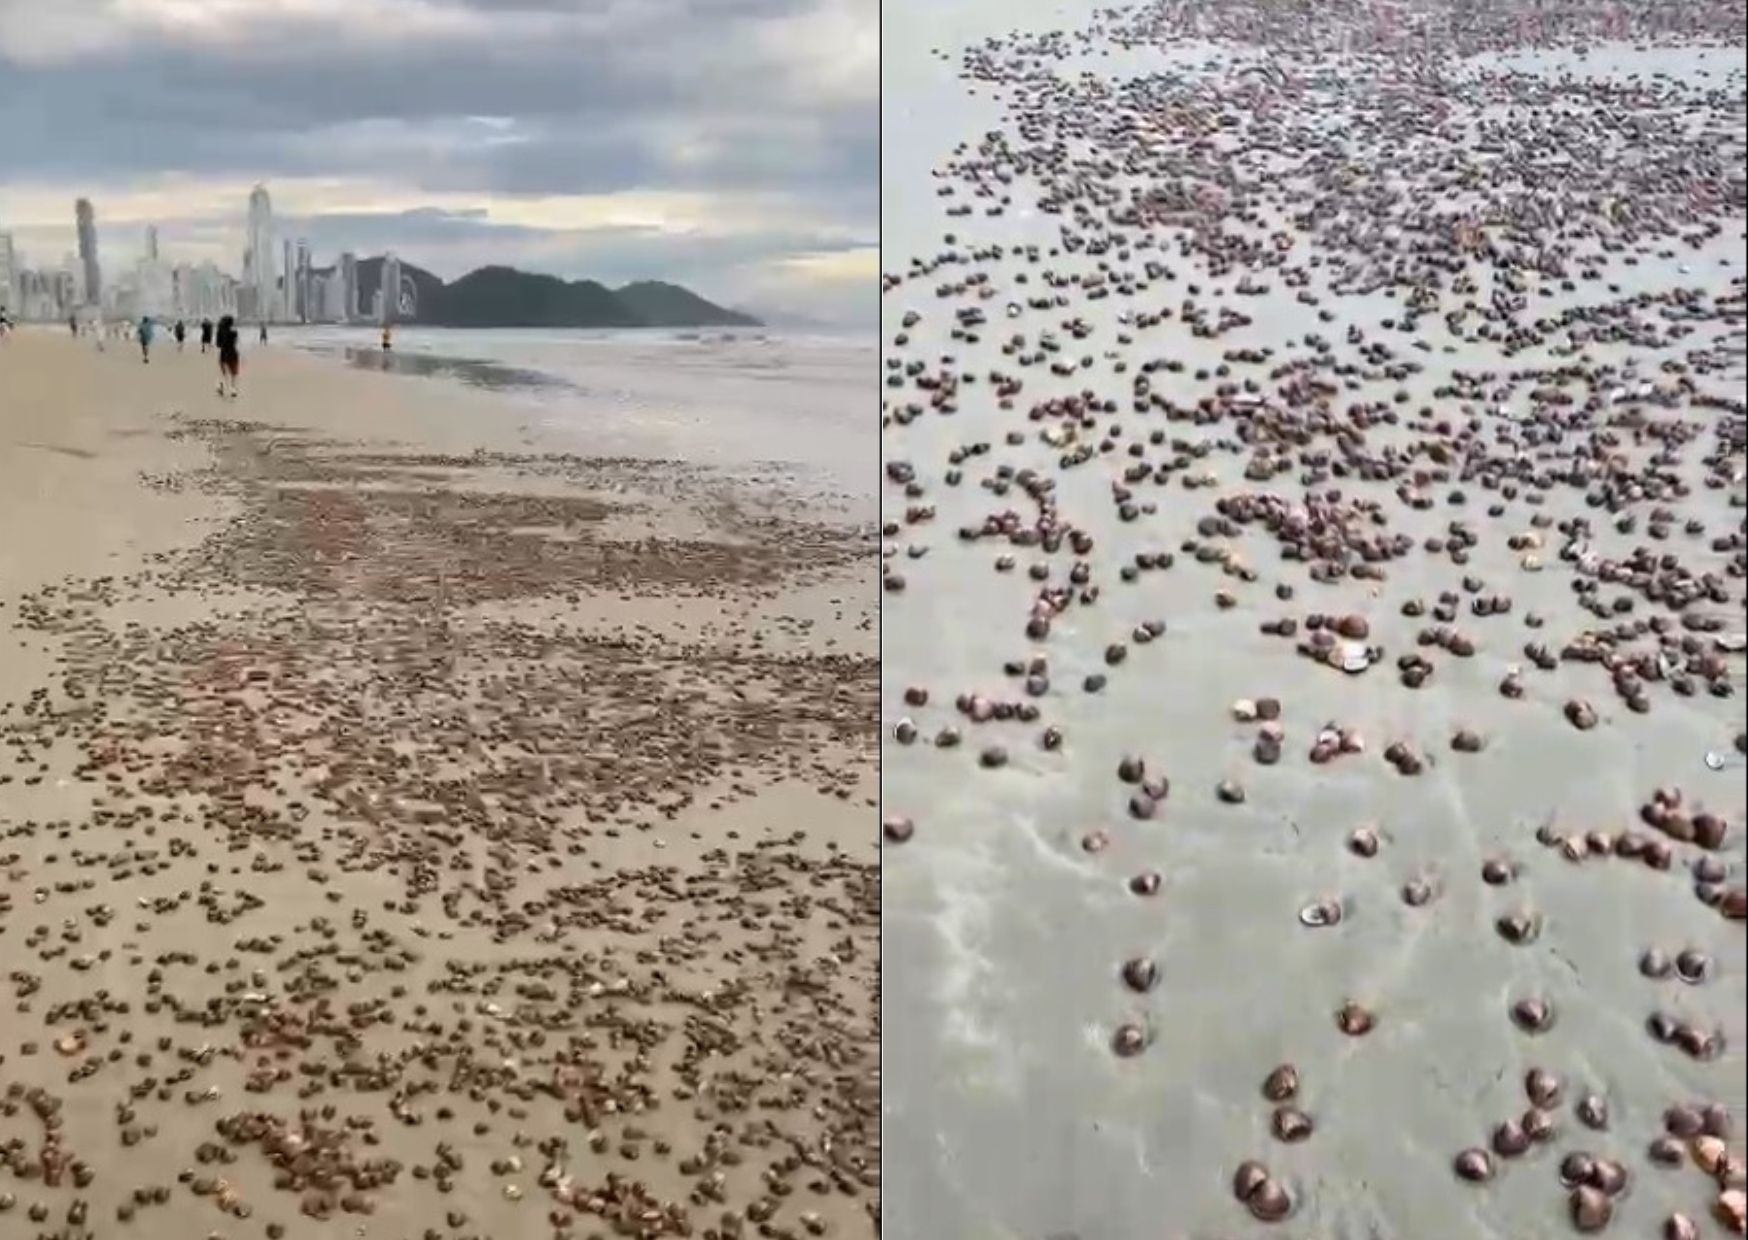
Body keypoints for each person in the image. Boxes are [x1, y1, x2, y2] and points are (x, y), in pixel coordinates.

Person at [215, 314, 240, 398]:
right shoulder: (234, 332)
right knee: (233, 373)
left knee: (224, 372)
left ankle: (220, 385)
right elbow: (236, 342)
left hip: (223, 354)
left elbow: (218, 344)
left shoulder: (219, 331)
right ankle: (233, 389)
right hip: (233, 353)